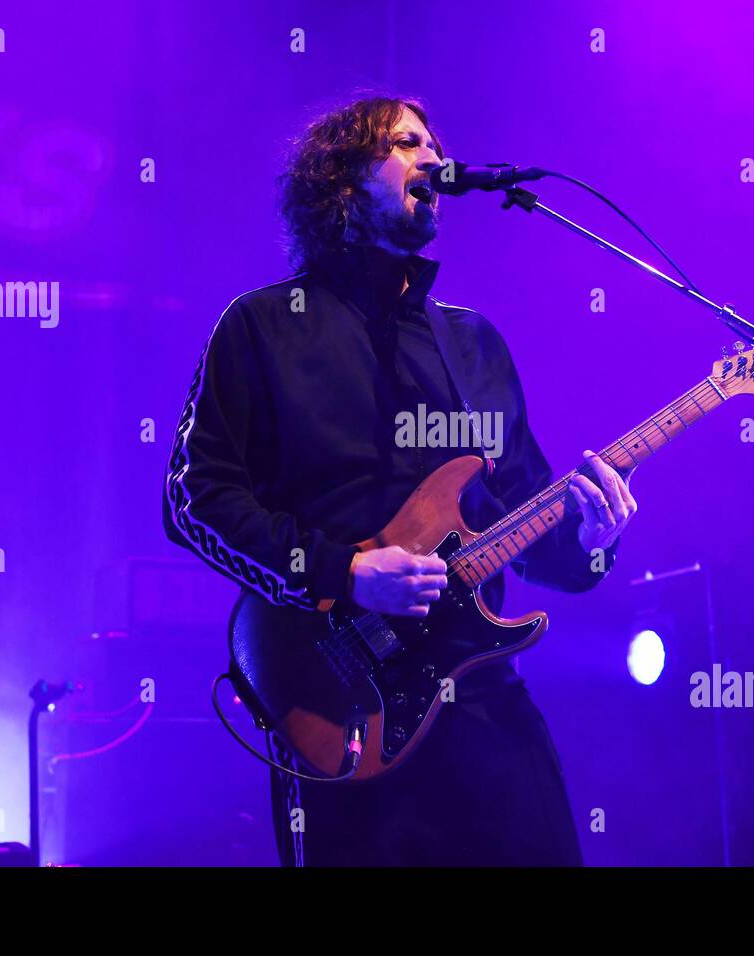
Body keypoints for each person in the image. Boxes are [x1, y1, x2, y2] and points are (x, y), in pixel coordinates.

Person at [162, 96, 638, 866]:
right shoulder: (262, 326)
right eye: (406, 142)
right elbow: (194, 499)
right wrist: (345, 573)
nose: (431, 156)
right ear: (344, 181)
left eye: (435, 144)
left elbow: (526, 521)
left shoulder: (473, 342)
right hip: (333, 698)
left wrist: (590, 540)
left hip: (479, 701)